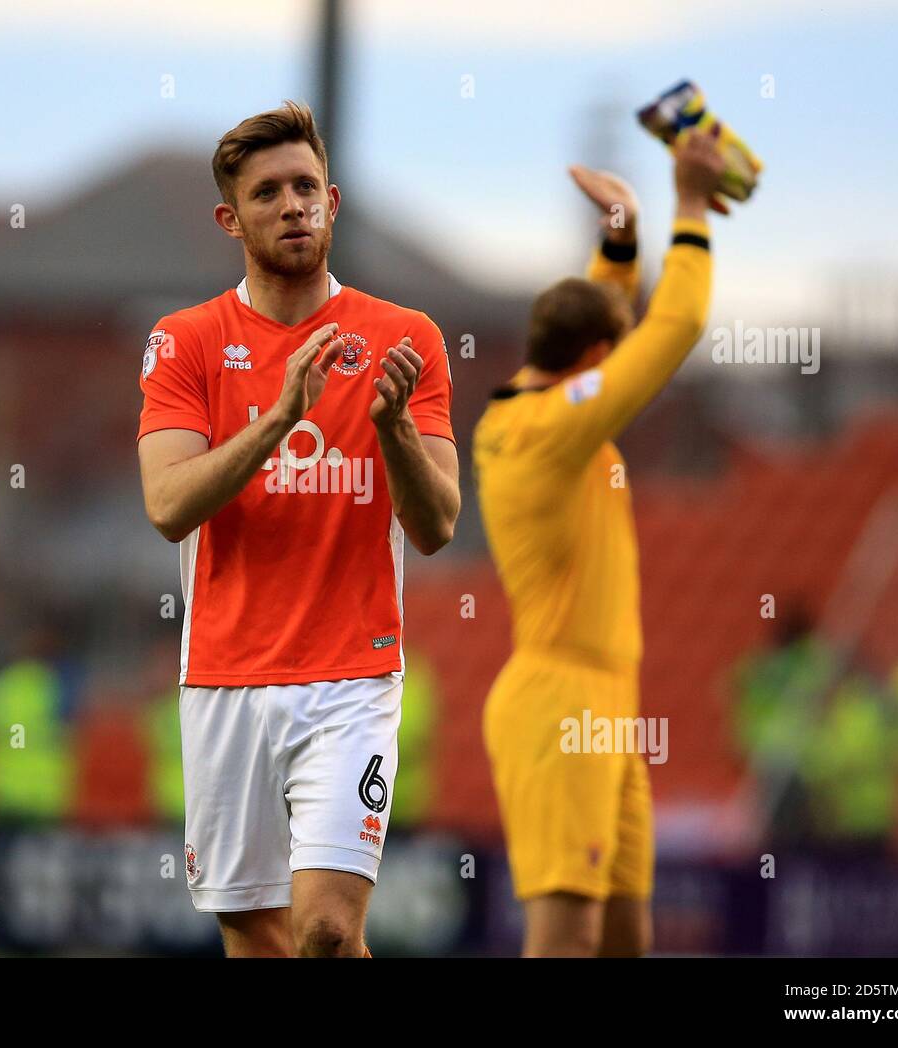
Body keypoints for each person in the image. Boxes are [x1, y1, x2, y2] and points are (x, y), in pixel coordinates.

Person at [135, 100, 459, 957]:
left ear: (334, 201)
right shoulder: (186, 343)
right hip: (225, 679)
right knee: (258, 937)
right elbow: (169, 505)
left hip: (351, 676)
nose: (292, 205)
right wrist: (278, 420)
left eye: (307, 187)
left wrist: (391, 430)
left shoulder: (405, 338)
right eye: (269, 191)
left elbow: (437, 526)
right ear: (229, 217)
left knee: (322, 927)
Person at [473, 127, 729, 957]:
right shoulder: (555, 430)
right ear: (589, 362)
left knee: (623, 937)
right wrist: (688, 208)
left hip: (600, 703)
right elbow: (678, 323)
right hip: (561, 702)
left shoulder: (526, 407)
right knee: (569, 937)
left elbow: (597, 324)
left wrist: (620, 235)